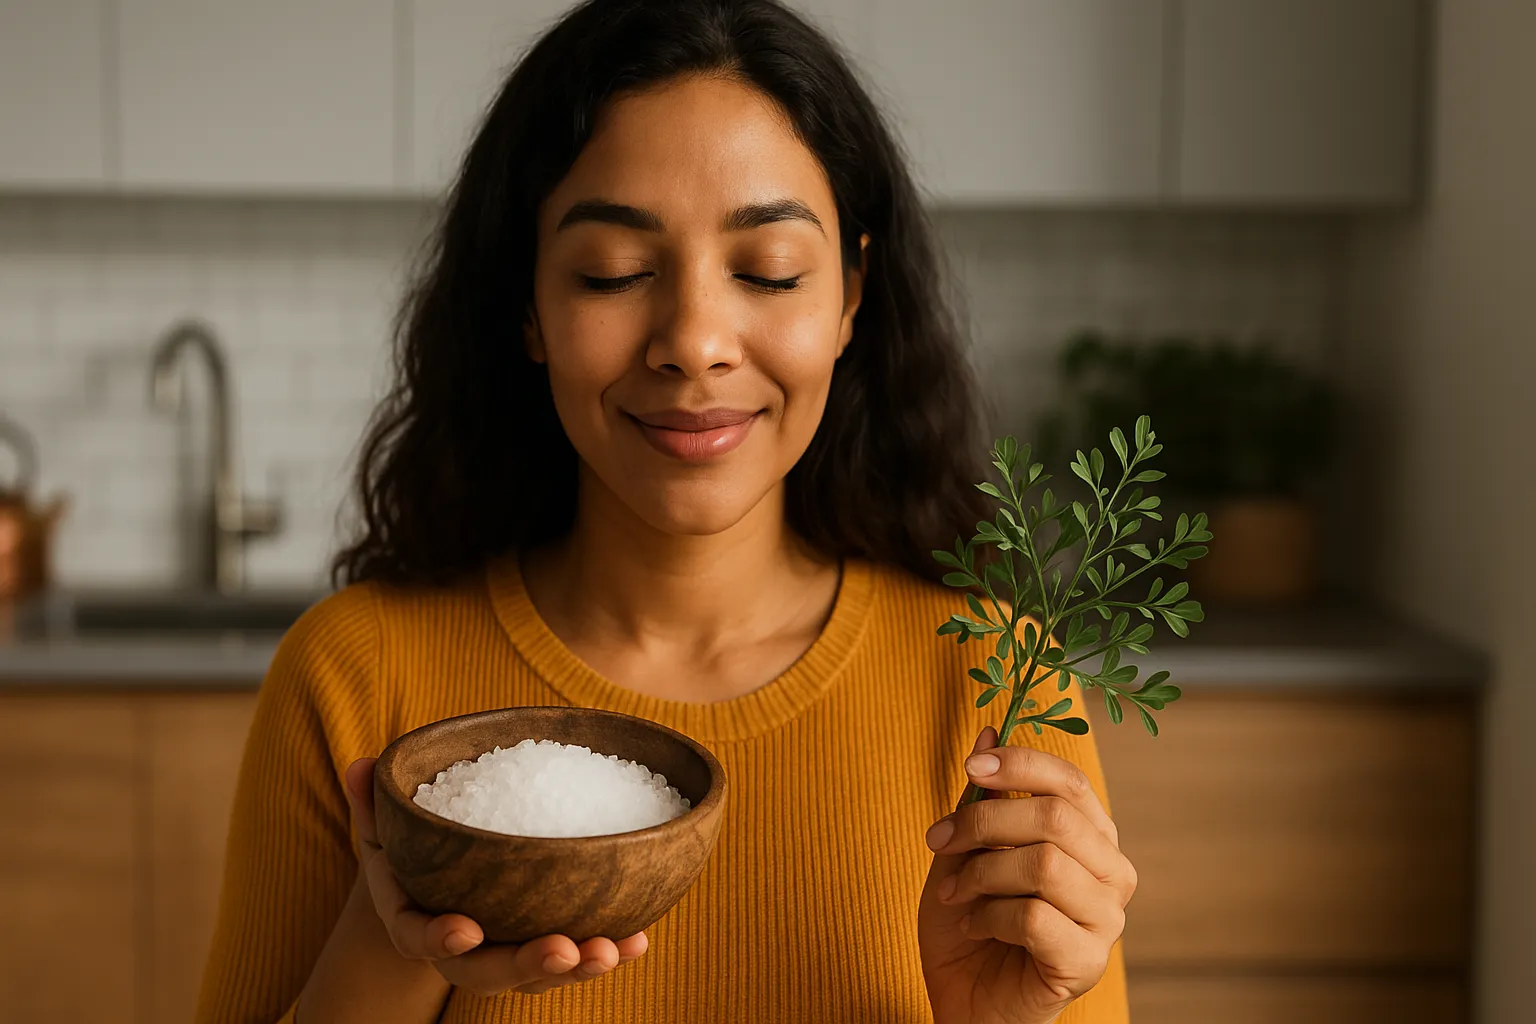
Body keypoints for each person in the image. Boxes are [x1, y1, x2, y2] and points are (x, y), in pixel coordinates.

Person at [195, 1, 1135, 1021]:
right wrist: (397, 941)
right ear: (529, 305)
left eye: (767, 271)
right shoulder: (354, 677)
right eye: (615, 273)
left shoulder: (995, 683)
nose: (695, 340)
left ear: (852, 294)